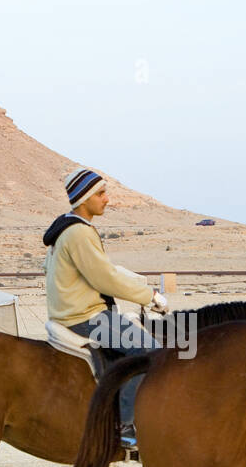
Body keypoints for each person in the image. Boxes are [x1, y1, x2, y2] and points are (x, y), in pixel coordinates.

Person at [44, 167, 167, 449]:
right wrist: (150, 297)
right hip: (85, 316)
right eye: (100, 194)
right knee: (149, 351)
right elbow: (105, 278)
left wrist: (134, 283)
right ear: (84, 198)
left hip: (72, 311)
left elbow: (103, 271)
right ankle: (125, 427)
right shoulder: (78, 234)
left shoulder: (66, 227)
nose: (106, 199)